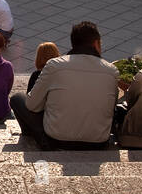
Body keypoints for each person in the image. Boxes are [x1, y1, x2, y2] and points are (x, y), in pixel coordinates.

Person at [10, 21, 119, 150]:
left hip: (57, 140)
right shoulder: (112, 71)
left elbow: (32, 105)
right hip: (98, 142)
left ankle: (32, 138)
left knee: (18, 98)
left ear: (73, 42)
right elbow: (111, 108)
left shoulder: (54, 65)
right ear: (96, 43)